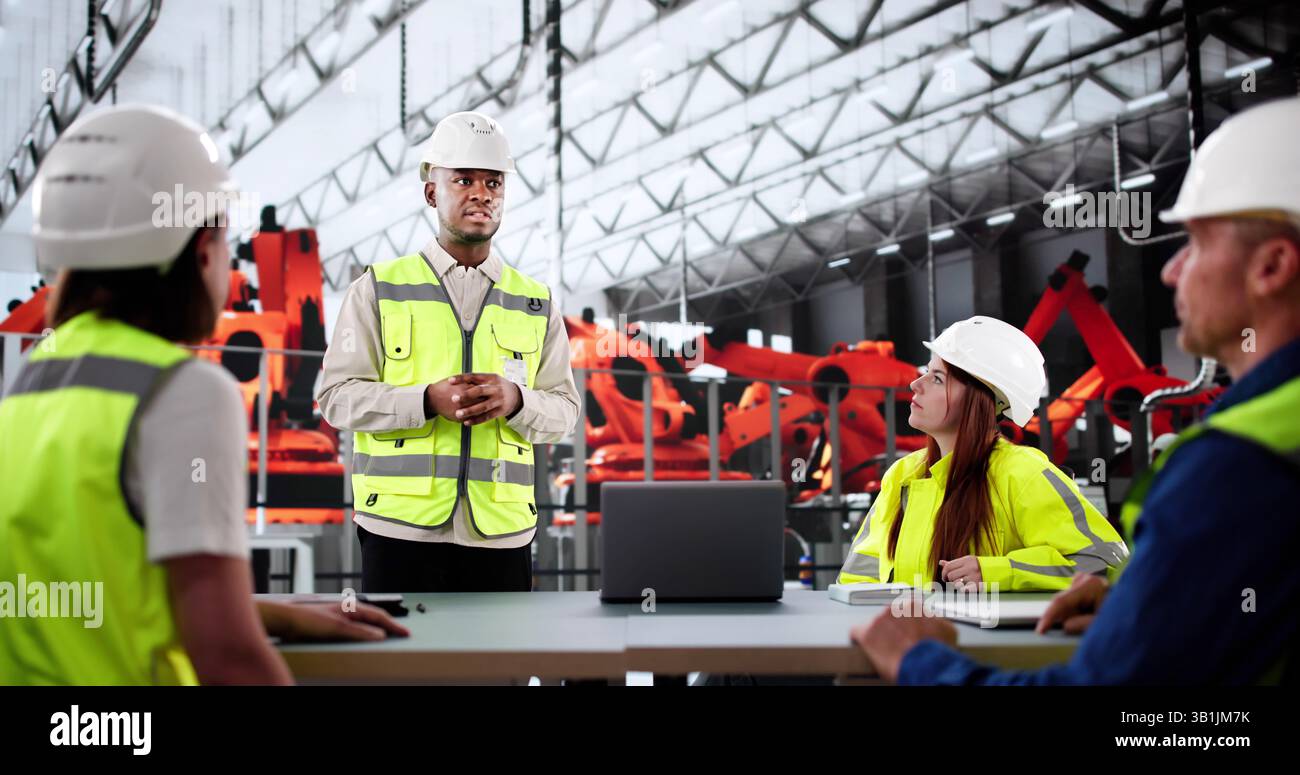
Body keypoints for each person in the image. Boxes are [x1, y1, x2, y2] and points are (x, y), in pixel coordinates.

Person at [852, 96, 1300, 685]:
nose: (1169, 270)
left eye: (1192, 242)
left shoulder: (1239, 465)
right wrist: (1135, 614)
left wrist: (919, 662)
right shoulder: (902, 479)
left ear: (1271, 266)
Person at [0, 105, 407, 686]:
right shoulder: (182, 391)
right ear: (200, 247)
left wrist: (264, 611)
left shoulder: (31, 381)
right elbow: (229, 660)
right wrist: (239, 623)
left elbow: (99, 595)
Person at [316, 111, 580, 593]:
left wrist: (517, 400)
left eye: (493, 182)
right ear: (432, 192)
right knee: (406, 671)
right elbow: (336, 398)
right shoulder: (378, 289)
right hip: (399, 532)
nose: (482, 193)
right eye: (464, 179)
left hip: (501, 536)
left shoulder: (535, 302)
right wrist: (424, 401)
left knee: (500, 672)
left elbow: (565, 412)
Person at [838, 316, 1128, 591]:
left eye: (937, 378)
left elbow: (1106, 562)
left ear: (980, 400)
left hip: (984, 643)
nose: (916, 384)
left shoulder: (1023, 473)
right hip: (907, 639)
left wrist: (999, 572)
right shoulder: (902, 475)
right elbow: (857, 577)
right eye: (927, 372)